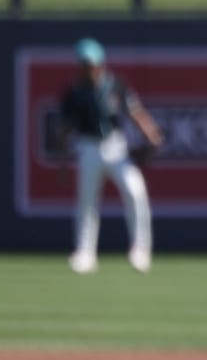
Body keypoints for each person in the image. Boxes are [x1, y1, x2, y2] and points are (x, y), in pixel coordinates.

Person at [54, 38, 163, 274]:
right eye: (84, 65)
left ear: (100, 64)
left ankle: (141, 249)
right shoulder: (73, 92)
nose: (88, 69)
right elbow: (64, 129)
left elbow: (136, 112)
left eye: (92, 64)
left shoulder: (116, 85)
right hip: (88, 146)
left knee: (135, 191)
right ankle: (85, 254)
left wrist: (151, 134)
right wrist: (62, 162)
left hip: (116, 146)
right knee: (87, 202)